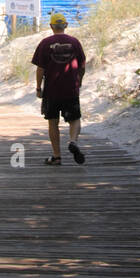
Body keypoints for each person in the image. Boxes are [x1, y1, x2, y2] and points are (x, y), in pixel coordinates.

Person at [31, 12, 86, 165]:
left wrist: (38, 87)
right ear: (66, 25)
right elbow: (82, 65)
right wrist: (79, 81)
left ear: (51, 26)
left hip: (52, 89)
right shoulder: (75, 42)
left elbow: (40, 69)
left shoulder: (44, 43)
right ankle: (73, 141)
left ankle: (56, 156)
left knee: (53, 122)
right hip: (71, 89)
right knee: (74, 119)